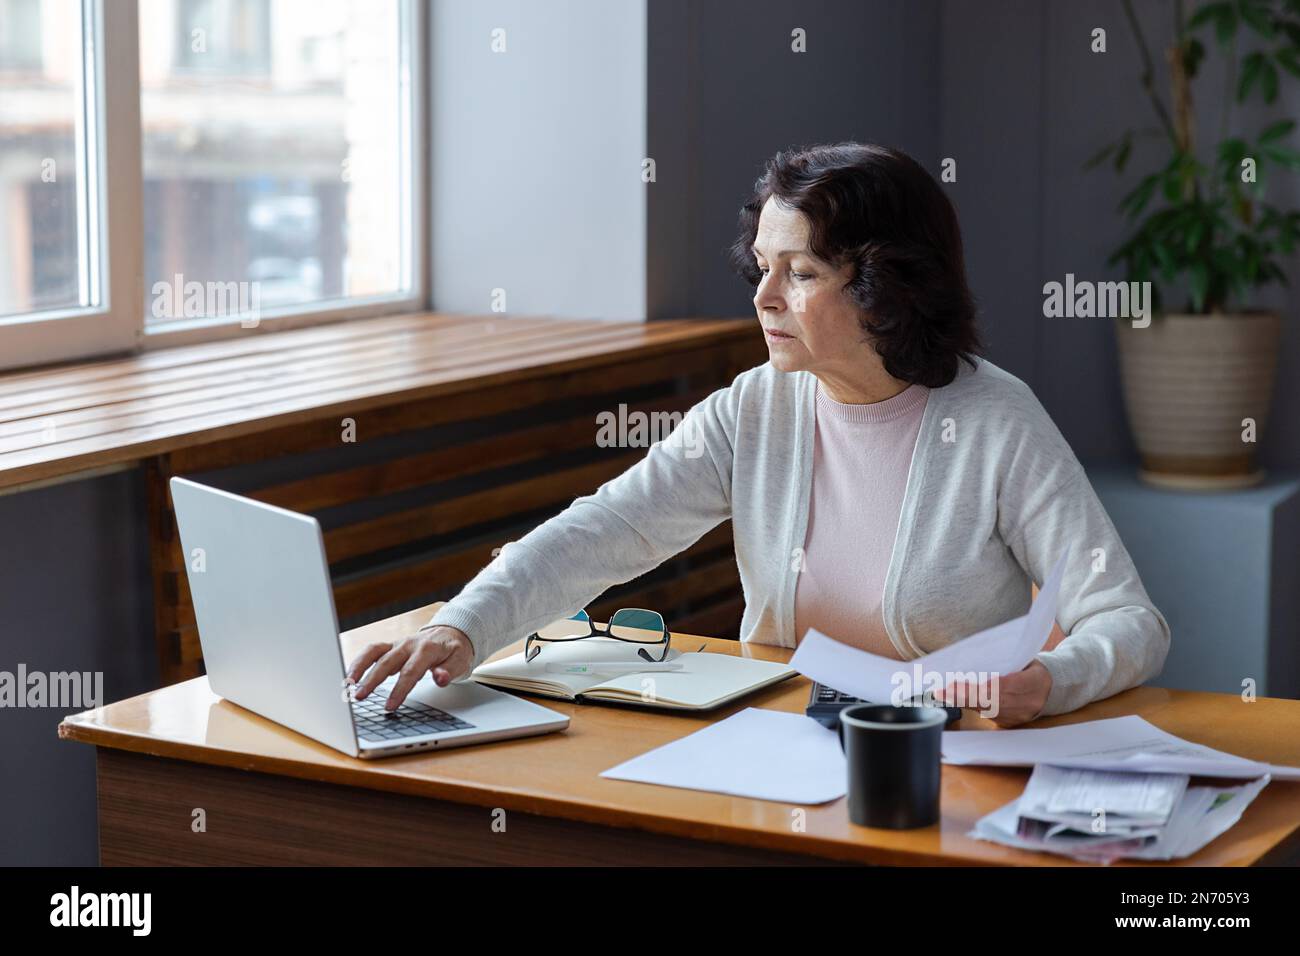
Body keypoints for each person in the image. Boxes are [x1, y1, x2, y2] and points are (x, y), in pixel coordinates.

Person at [348, 142, 1170, 727]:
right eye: (764, 265)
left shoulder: (999, 422)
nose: (763, 296)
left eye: (802, 273)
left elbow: (1130, 623)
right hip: (778, 743)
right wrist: (463, 623)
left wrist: (1051, 682)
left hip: (938, 762)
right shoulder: (756, 407)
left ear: (888, 291)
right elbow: (604, 531)